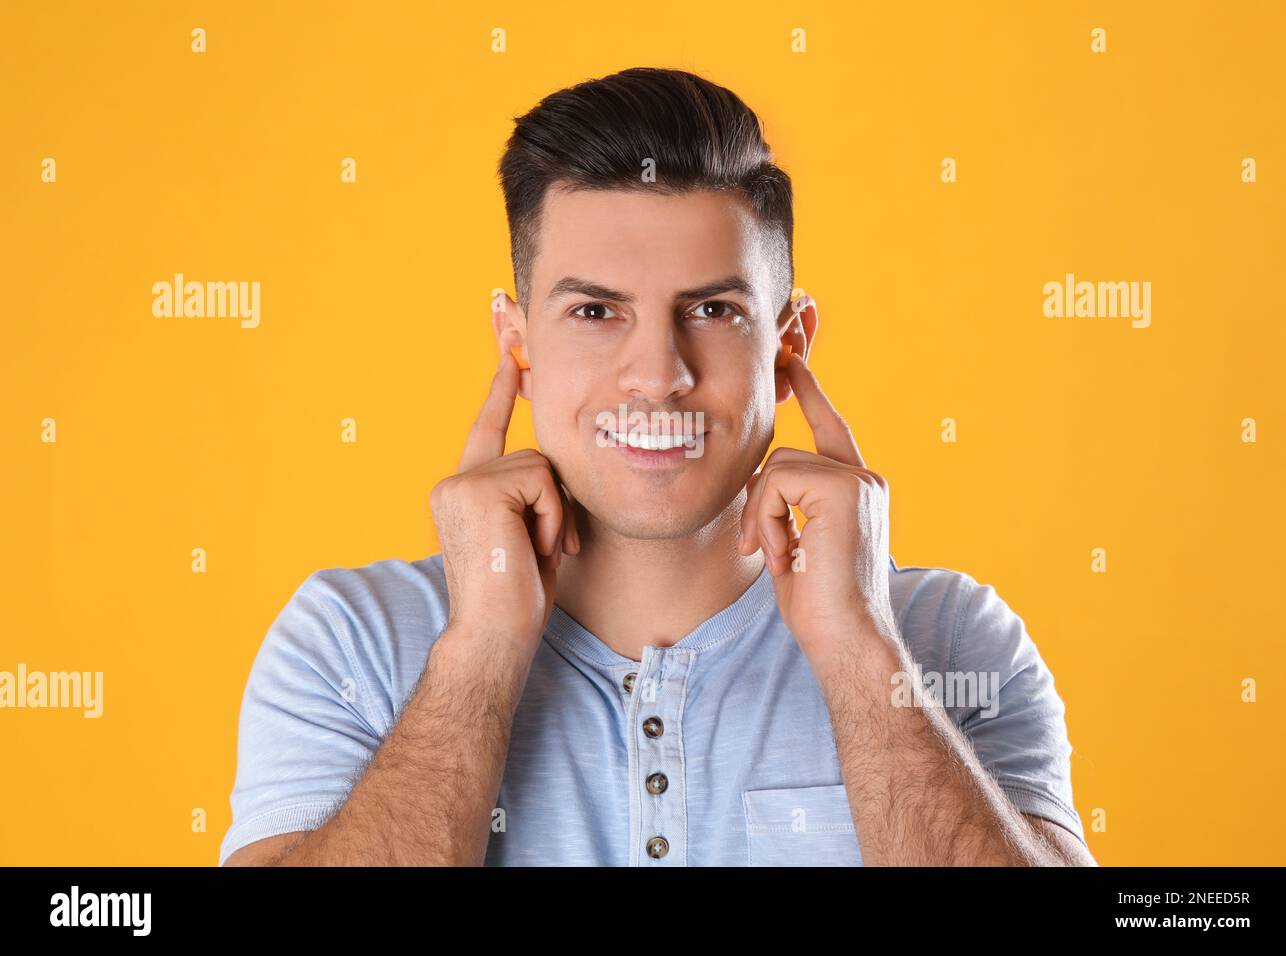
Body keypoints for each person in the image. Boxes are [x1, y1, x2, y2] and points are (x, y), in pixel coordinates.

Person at [219, 67, 1095, 867]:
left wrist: (864, 657)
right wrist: (480, 653)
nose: (658, 374)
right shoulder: (351, 641)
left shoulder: (947, 640)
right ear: (517, 346)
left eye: (711, 309)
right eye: (597, 311)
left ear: (789, 344)